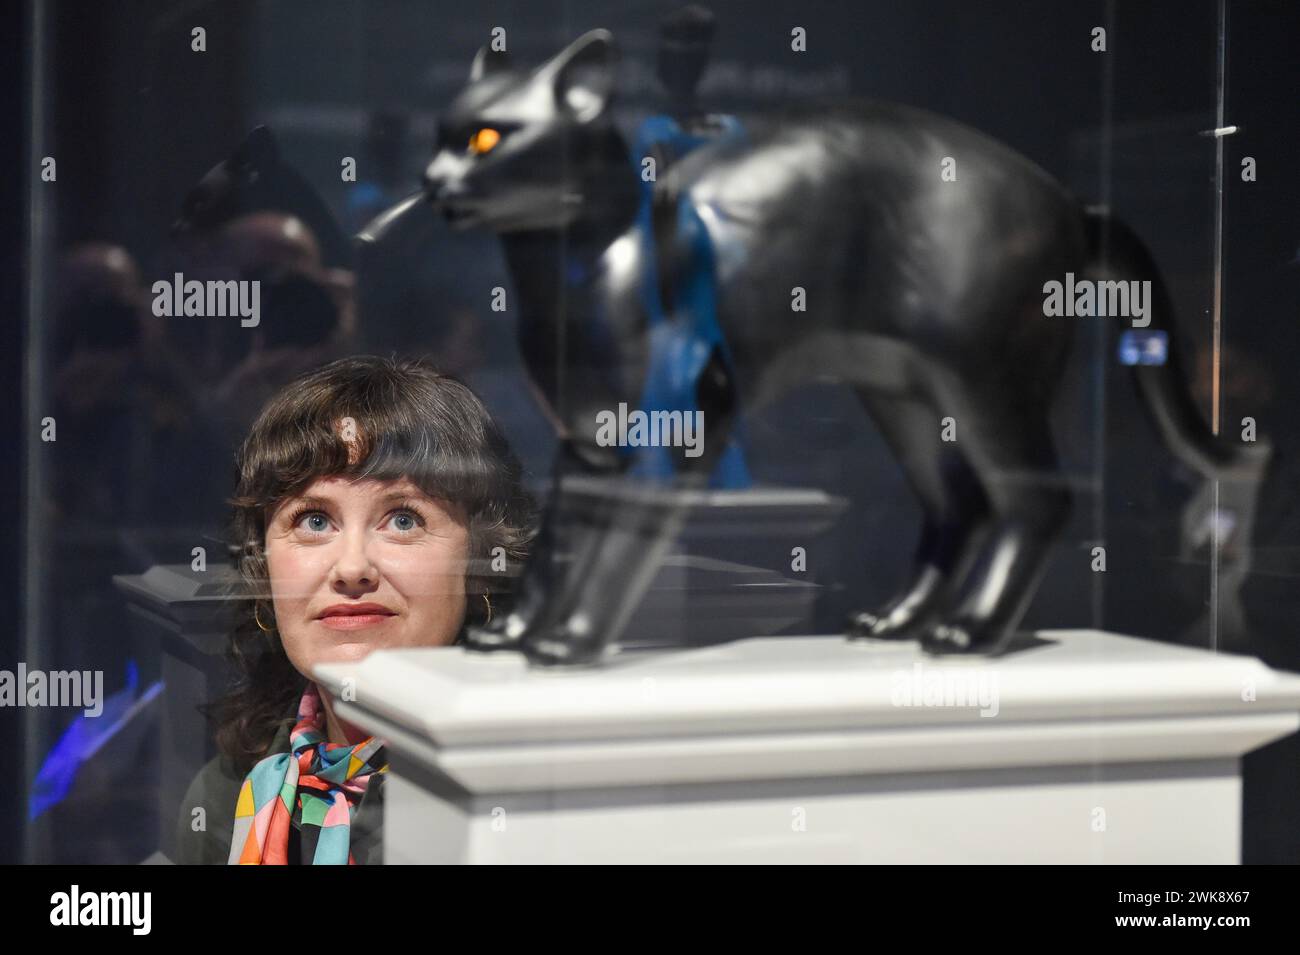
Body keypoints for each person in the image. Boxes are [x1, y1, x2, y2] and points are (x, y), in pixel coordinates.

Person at [173, 356, 535, 864]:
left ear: (479, 565)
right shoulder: (225, 797)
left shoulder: (538, 801)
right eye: (315, 520)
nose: (352, 567)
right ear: (262, 568)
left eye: (404, 519)